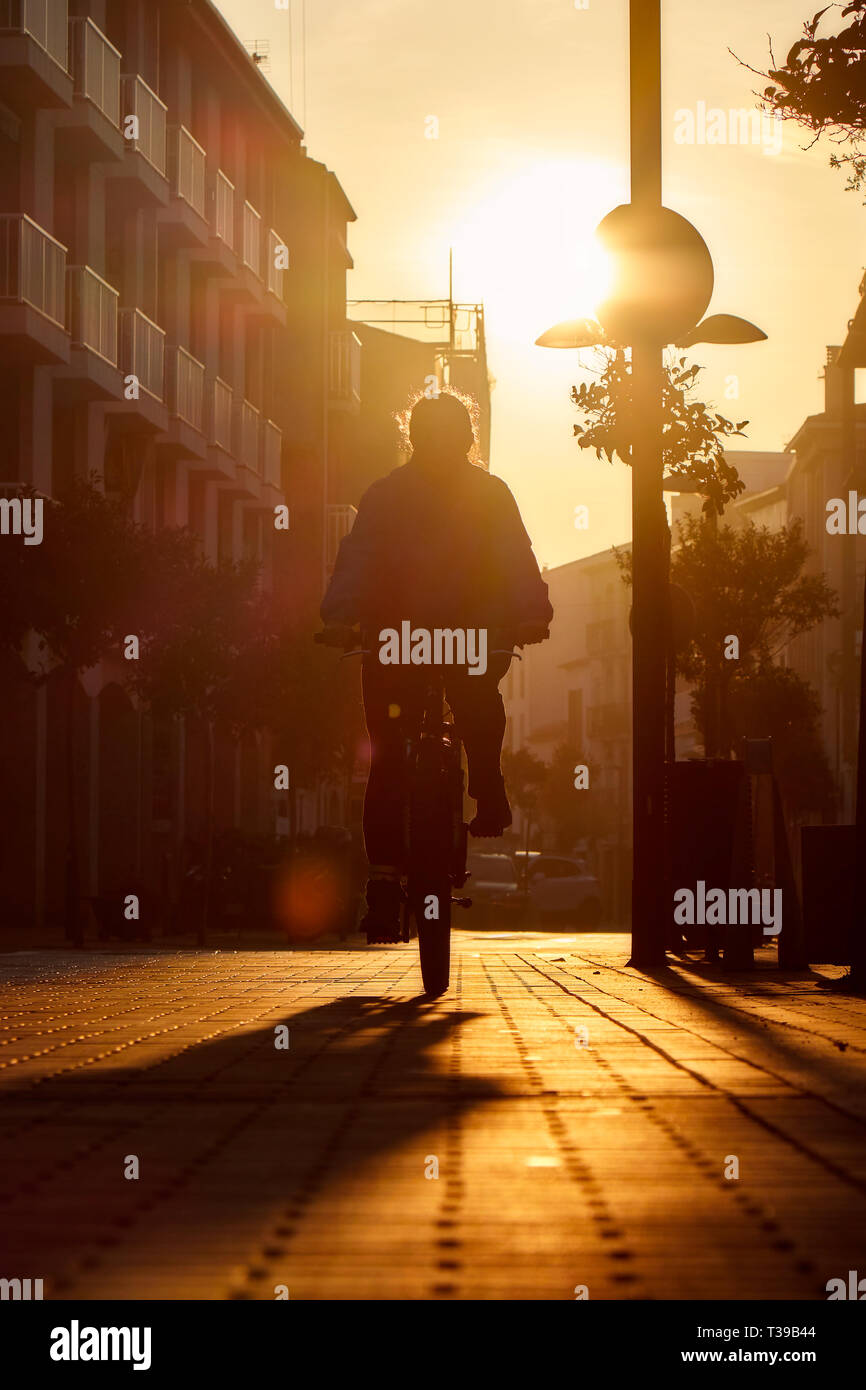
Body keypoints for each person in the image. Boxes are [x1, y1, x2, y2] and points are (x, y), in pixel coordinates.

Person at [320, 391, 552, 941]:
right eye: (435, 435)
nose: (443, 445)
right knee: (458, 717)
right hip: (450, 635)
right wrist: (530, 613)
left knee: (392, 756)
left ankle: (386, 884)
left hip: (402, 639)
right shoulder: (481, 493)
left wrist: (340, 616)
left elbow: (358, 558)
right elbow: (516, 559)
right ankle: (485, 797)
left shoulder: (389, 495)